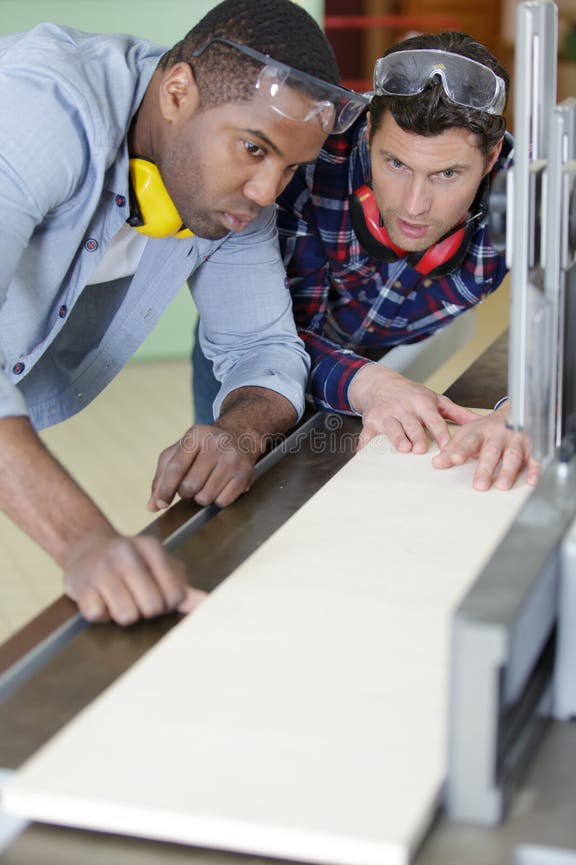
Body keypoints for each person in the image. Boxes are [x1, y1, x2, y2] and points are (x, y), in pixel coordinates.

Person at [0, 0, 369, 626]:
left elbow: (263, 346)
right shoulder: (43, 110)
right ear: (176, 93)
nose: (266, 191)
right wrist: (84, 540)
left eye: (289, 167)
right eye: (253, 148)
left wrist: (238, 431)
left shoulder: (235, 196)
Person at [193, 31, 540, 492]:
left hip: (378, 356)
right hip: (253, 348)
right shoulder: (309, 163)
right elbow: (266, 342)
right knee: (233, 491)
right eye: (395, 164)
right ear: (368, 133)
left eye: (448, 174)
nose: (416, 206)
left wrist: (528, 408)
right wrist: (369, 384)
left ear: (492, 156)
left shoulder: (528, 195)